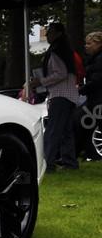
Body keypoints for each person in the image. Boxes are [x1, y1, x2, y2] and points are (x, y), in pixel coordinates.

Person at [30, 22, 80, 171]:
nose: (47, 35)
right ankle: (70, 162)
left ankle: (47, 162)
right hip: (68, 94)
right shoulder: (65, 50)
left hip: (60, 94)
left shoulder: (56, 51)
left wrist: (41, 81)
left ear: (58, 33)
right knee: (65, 131)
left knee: (53, 130)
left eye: (50, 32)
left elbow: (60, 74)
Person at [78, 30, 102, 161]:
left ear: (98, 44)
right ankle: (90, 152)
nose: (86, 46)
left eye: (89, 43)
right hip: (95, 99)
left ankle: (91, 153)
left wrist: (81, 90)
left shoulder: (98, 60)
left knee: (86, 123)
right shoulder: (94, 59)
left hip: (97, 100)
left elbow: (97, 80)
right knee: (88, 125)